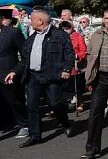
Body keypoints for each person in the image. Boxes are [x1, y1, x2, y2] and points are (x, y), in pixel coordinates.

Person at [7, 8, 74, 147]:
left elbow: (69, 53)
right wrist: (15, 72)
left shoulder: (59, 35)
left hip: (52, 76)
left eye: (32, 19)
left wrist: (67, 69)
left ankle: (65, 122)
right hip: (34, 77)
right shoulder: (31, 38)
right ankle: (35, 135)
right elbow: (25, 60)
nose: (30, 22)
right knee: (31, 106)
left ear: (40, 21)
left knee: (55, 103)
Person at [81, 8, 108, 159]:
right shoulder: (97, 34)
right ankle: (92, 148)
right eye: (106, 18)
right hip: (100, 78)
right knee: (95, 113)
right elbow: (91, 56)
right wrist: (90, 77)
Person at [0, 8, 26, 137]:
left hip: (8, 74)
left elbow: (25, 55)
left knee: (15, 102)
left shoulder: (13, 33)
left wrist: (16, 71)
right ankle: (7, 123)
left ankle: (24, 124)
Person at [59, 21, 87, 115]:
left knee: (77, 85)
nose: (66, 31)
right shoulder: (58, 37)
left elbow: (83, 50)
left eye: (68, 29)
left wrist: (77, 55)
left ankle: (80, 102)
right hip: (63, 65)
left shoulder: (77, 36)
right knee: (63, 86)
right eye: (63, 29)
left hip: (75, 64)